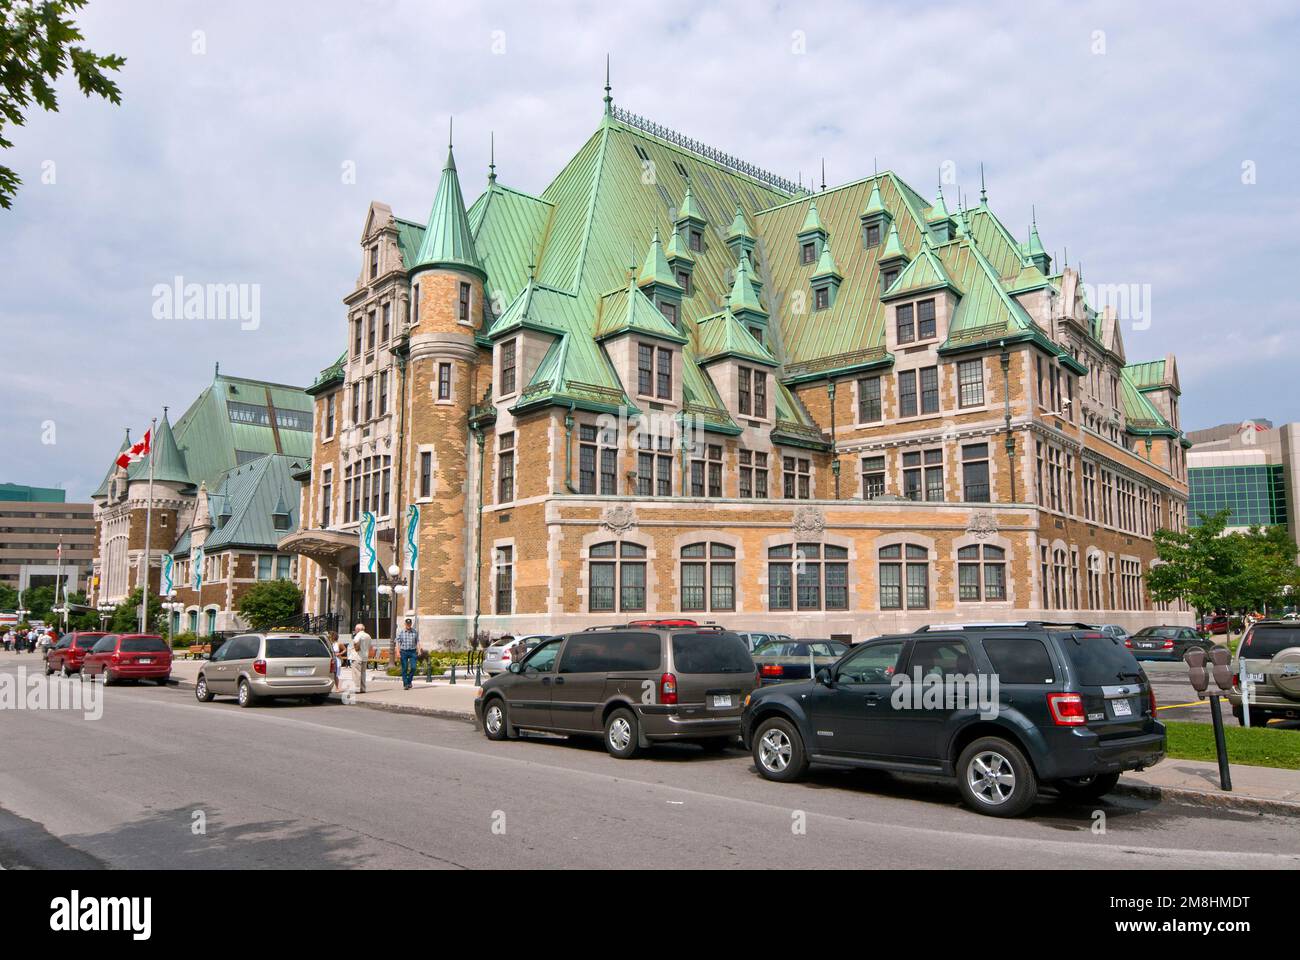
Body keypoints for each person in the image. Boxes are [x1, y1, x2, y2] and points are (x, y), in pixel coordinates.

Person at [395, 618, 420, 690]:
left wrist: (419, 650)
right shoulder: (401, 632)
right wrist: (397, 652)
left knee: (413, 667)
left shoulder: (415, 632)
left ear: (411, 624)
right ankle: (406, 684)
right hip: (403, 652)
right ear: (405, 624)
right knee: (405, 668)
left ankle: (409, 681)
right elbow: (397, 642)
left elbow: (417, 641)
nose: (408, 625)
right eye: (407, 624)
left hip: (413, 651)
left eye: (409, 624)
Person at [349, 623, 372, 694]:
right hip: (365, 657)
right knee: (363, 673)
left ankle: (357, 688)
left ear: (358, 629)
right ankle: (363, 688)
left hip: (357, 657)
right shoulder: (368, 635)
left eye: (356, 629)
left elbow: (355, 641)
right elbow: (370, 646)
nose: (355, 631)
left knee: (356, 673)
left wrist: (356, 648)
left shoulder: (359, 635)